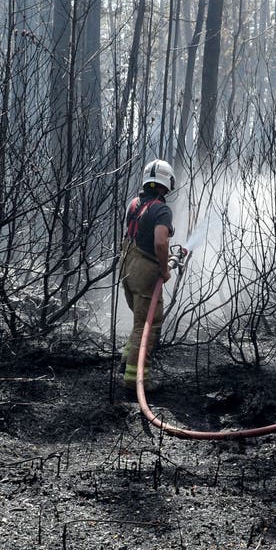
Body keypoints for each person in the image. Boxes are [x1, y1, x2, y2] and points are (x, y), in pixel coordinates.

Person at [120, 159, 176, 393]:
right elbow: (160, 242)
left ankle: (126, 360)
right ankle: (135, 380)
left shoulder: (134, 204)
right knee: (148, 326)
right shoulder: (161, 209)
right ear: (167, 183)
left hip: (127, 268)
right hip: (145, 273)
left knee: (138, 321)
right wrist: (164, 270)